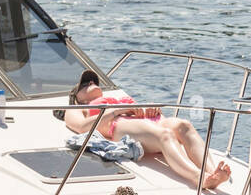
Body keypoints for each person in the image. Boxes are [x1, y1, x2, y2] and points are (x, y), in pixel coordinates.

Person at [63, 70, 232, 188]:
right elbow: (81, 127)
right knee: (164, 135)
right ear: (76, 97)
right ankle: (200, 178)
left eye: (92, 80)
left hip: (147, 120)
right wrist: (117, 110)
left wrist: (151, 109)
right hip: (119, 123)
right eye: (85, 84)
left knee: (184, 126)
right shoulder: (77, 108)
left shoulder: (117, 97)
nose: (91, 82)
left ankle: (212, 170)